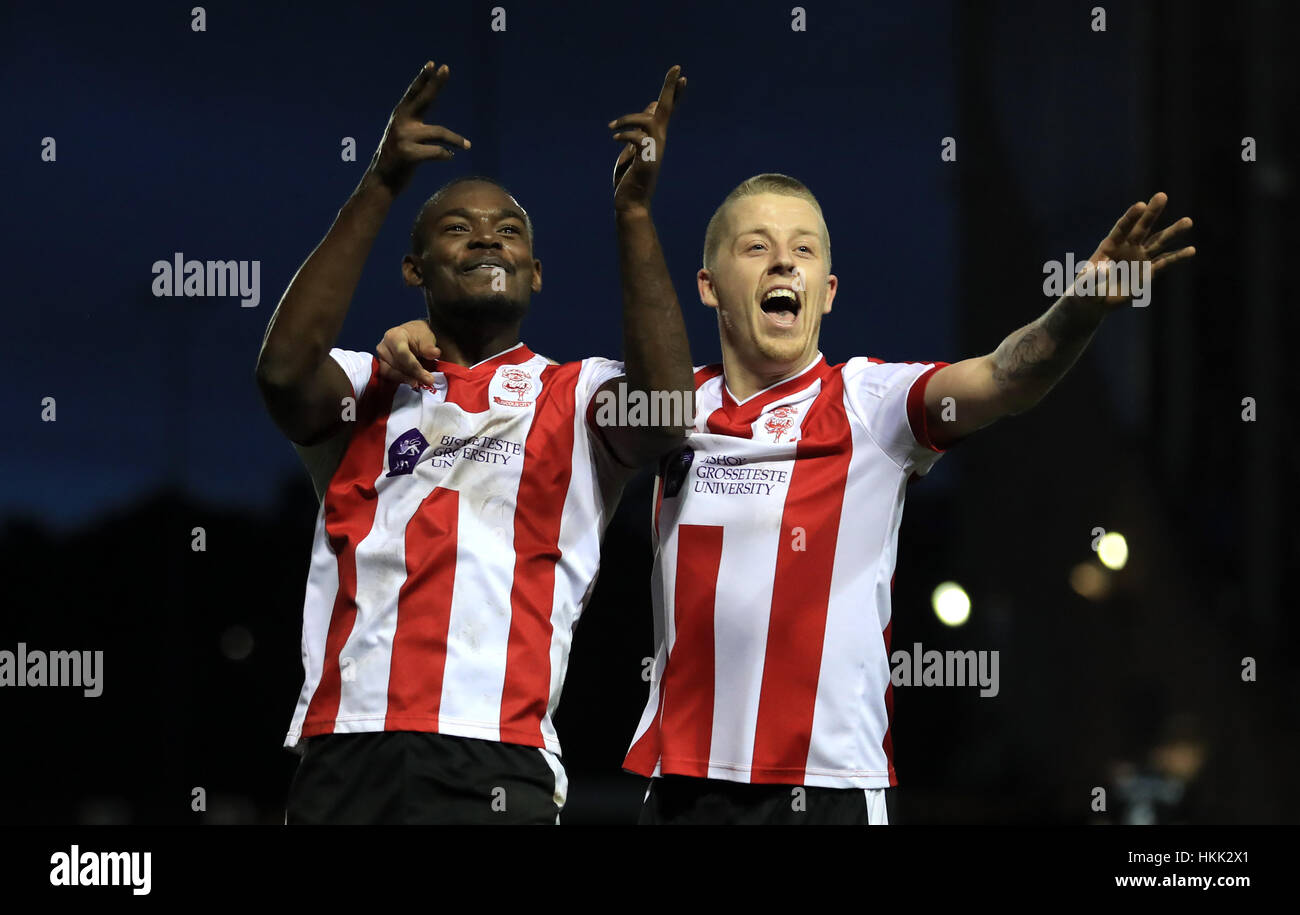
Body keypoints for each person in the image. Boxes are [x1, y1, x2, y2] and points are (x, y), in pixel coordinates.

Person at [377, 171, 1194, 824]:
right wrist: (417, 345)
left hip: (830, 789)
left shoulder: (876, 405)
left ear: (827, 290)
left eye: (803, 251)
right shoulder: (662, 410)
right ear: (706, 286)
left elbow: (1009, 375)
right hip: (681, 788)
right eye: (757, 247)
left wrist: (1082, 305)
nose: (782, 263)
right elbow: (511, 405)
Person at [255, 61, 692, 824]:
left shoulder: (577, 394)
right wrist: (380, 182)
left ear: (537, 273)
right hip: (345, 746)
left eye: (510, 229)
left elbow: (665, 409)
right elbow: (284, 372)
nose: (488, 236)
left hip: (495, 756)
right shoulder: (368, 384)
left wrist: (633, 216)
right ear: (413, 268)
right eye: (458, 228)